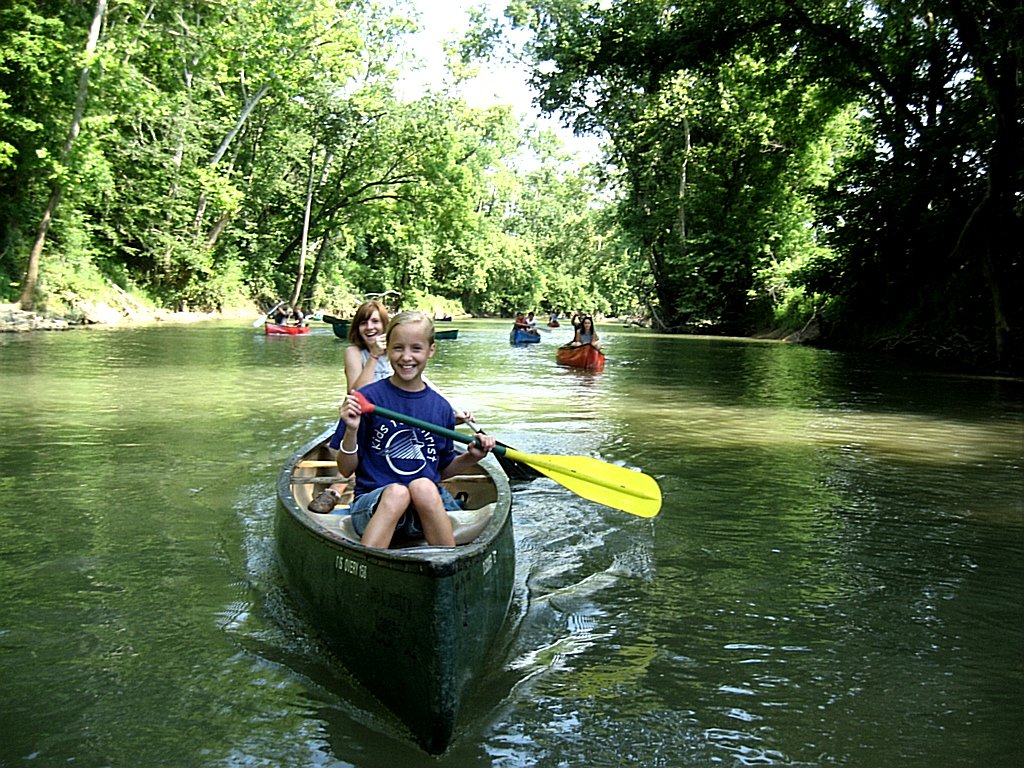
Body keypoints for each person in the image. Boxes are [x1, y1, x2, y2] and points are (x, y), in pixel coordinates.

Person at [333, 311, 496, 548]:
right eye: (398, 348)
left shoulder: (441, 408)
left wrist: (471, 457)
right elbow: (345, 469)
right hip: (372, 509)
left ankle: (447, 565)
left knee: (424, 486)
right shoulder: (366, 398)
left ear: (431, 350)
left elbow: (440, 470)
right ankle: (369, 565)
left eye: (416, 349)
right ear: (387, 349)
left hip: (423, 513)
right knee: (398, 493)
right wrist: (351, 430)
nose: (406, 357)